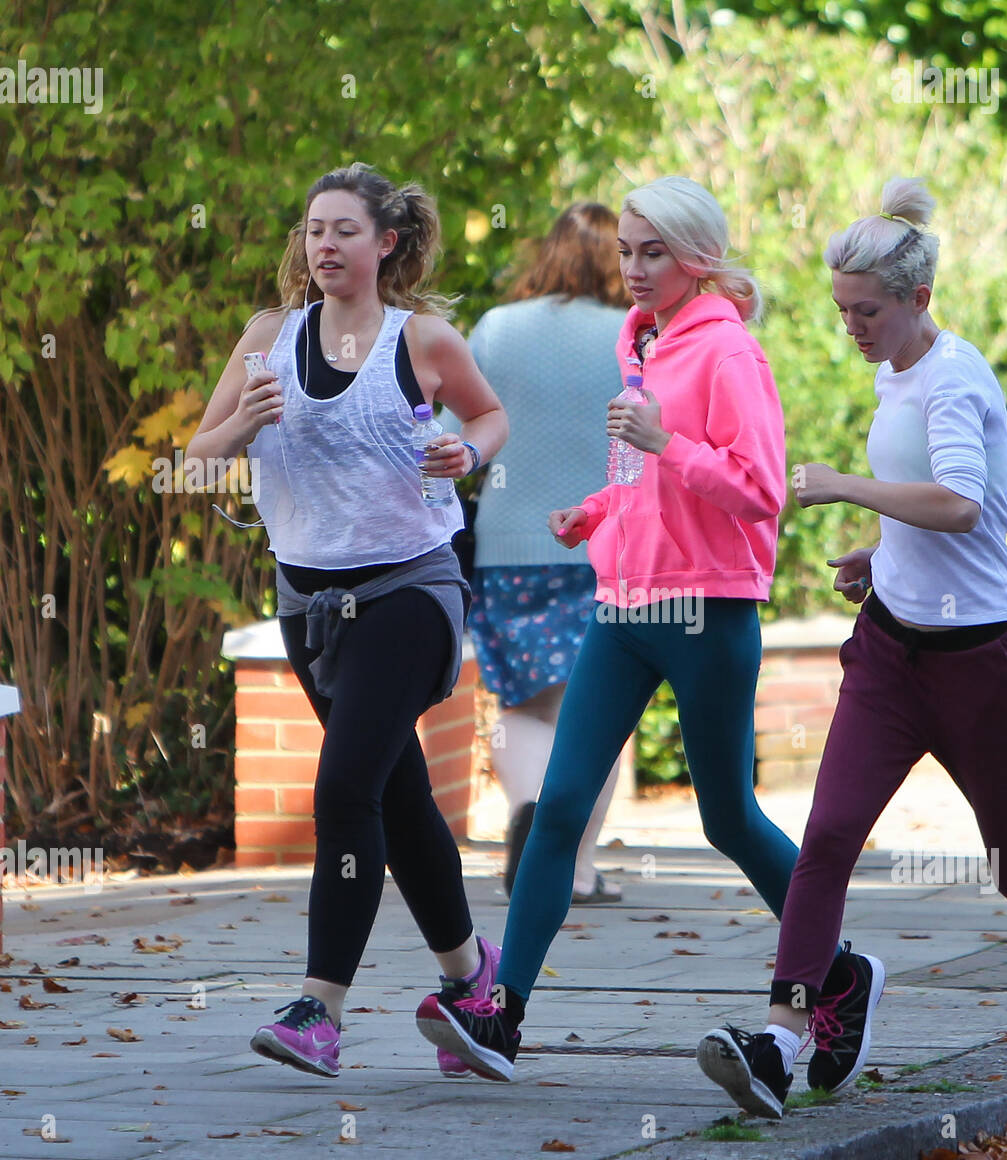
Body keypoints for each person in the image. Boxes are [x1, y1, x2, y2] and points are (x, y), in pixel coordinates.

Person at [695, 177, 1007, 1154]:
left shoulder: (956, 377)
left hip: (976, 663)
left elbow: (961, 503)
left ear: (914, 299)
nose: (852, 328)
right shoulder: (893, 374)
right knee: (825, 834)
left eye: (865, 311)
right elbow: (925, 512)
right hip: (889, 651)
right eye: (841, 311)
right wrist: (880, 551)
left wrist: (841, 488)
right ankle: (782, 1041)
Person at [417, 175, 811, 1082]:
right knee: (557, 806)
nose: (632, 270)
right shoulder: (642, 341)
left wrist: (665, 438)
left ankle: (828, 967)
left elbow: (759, 489)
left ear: (698, 257)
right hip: (624, 609)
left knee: (728, 818)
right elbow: (647, 485)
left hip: (706, 609)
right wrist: (595, 510)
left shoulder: (728, 355)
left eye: (652, 253)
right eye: (626, 251)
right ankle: (502, 1014)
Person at [189, 162, 508, 1079]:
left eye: (344, 231)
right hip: (309, 603)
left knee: (341, 791)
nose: (324, 245)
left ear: (386, 244)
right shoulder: (267, 337)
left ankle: (318, 1010)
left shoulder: (424, 340)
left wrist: (464, 452)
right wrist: (241, 423)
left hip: (410, 591)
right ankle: (470, 982)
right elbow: (200, 458)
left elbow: (490, 418)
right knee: (396, 797)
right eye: (313, 230)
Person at [440, 203, 630, 904]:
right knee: (601, 711)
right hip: (606, 545)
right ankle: (574, 866)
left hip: (508, 545)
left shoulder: (496, 328)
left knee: (521, 703)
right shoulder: (634, 336)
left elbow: (447, 430)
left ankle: (528, 809)